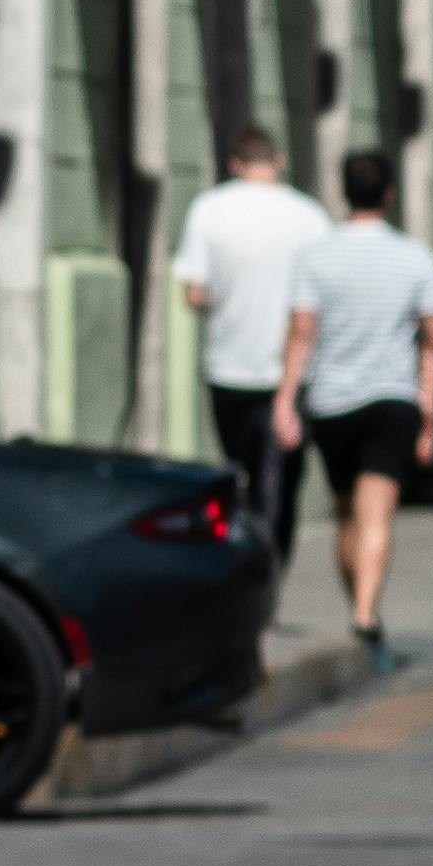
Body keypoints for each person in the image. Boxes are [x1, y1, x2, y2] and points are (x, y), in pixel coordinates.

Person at [270, 148, 433, 674]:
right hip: (391, 401)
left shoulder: (316, 256)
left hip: (331, 403)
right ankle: (364, 614)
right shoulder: (414, 256)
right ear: (389, 194)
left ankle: (362, 611)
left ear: (342, 192)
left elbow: (301, 333)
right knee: (375, 512)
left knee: (345, 515)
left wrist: (285, 400)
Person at [173, 121, 321, 559]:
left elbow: (194, 292)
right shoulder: (310, 216)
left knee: (241, 476)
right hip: (292, 374)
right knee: (281, 483)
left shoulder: (208, 209)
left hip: (229, 366)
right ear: (279, 161)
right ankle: (272, 570)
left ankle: (245, 566)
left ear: (234, 163)